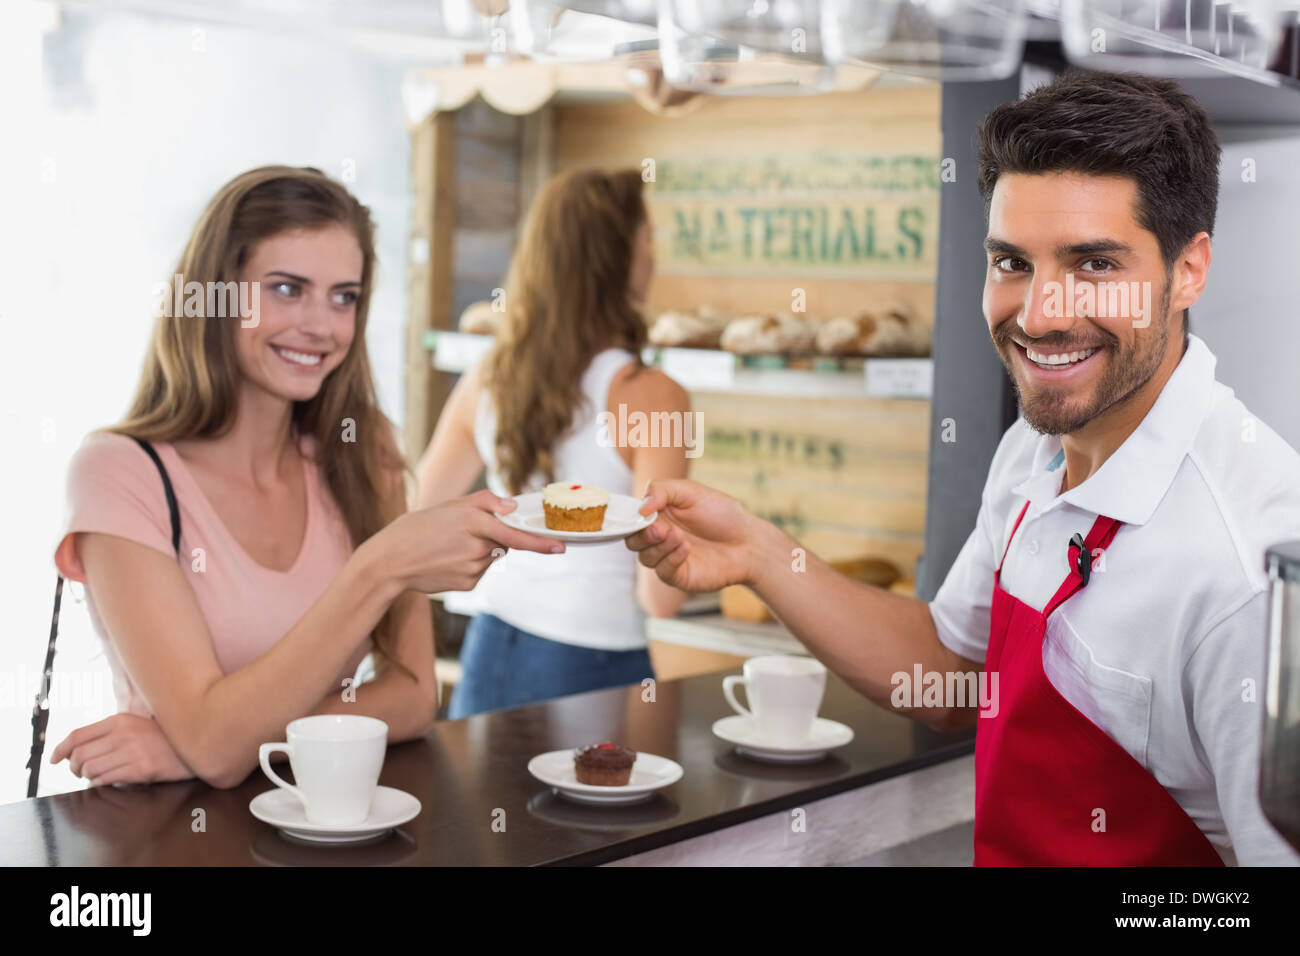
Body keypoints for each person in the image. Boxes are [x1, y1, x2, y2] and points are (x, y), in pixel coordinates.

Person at [626, 71, 1300, 866]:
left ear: (1188, 270)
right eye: (1013, 262)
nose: (1042, 314)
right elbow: (952, 672)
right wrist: (760, 556)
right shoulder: (1034, 447)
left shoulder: (1250, 568)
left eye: (1093, 265)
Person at [50, 166, 561, 790]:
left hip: (332, 829)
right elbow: (216, 746)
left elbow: (411, 696)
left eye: (344, 296)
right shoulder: (121, 473)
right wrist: (379, 568)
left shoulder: (363, 448)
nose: (322, 325)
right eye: (288, 289)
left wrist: (206, 746)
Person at [415, 166, 689, 717]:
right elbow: (661, 595)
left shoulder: (487, 377)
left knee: (485, 804)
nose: (654, 256)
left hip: (492, 645)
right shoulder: (653, 394)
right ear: (614, 260)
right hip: (596, 659)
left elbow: (415, 519)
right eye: (647, 239)